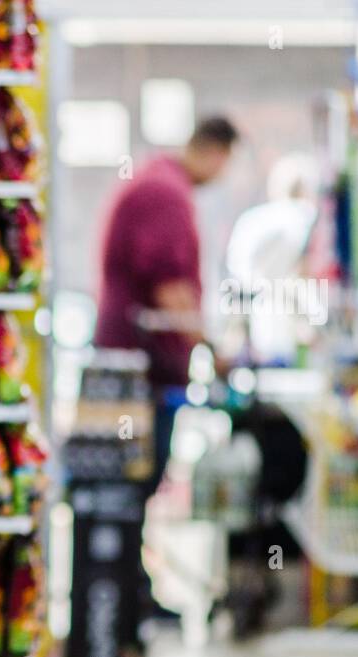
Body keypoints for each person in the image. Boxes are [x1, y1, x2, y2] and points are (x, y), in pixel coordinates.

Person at [93, 115, 239, 628]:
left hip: (132, 367)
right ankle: (128, 602)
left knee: (134, 486)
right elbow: (170, 289)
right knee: (137, 481)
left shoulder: (157, 181)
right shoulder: (167, 194)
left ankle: (133, 595)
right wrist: (212, 349)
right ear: (215, 150)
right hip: (141, 373)